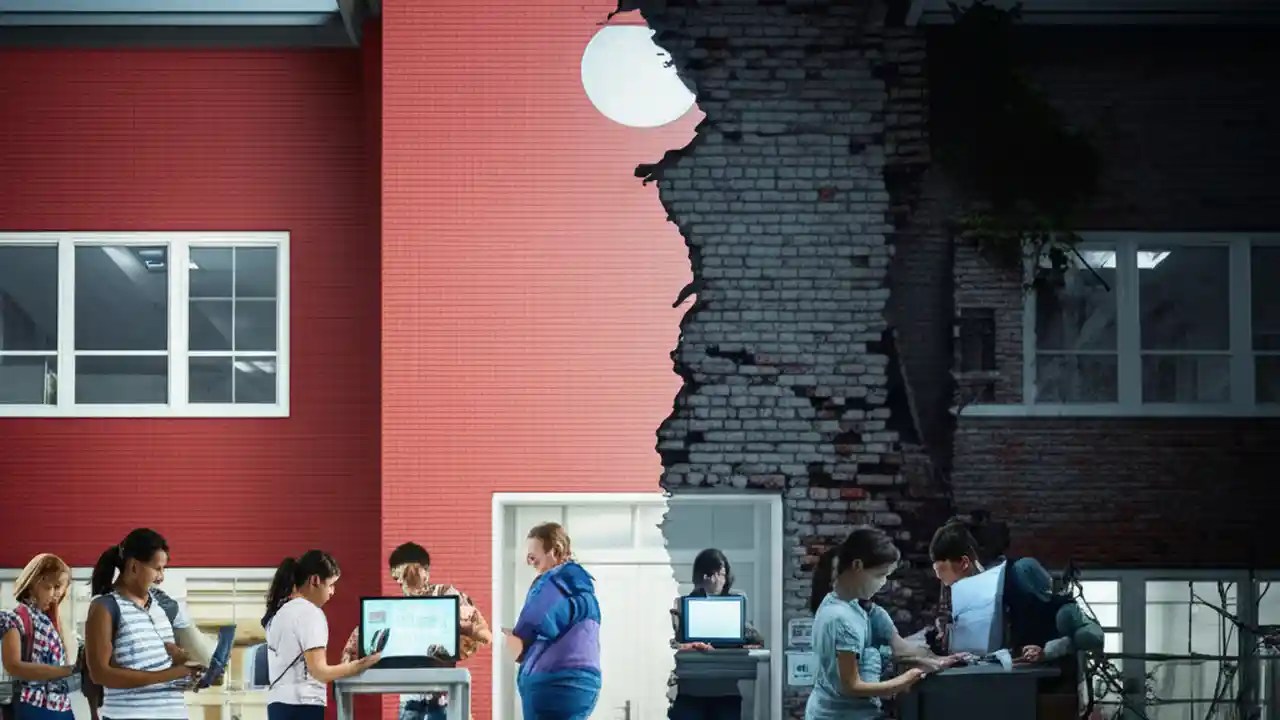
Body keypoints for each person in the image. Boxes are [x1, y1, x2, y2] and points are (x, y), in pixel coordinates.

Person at [928, 516, 1103, 719]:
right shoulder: (962, 596)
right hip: (997, 692)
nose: (945, 585)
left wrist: (1050, 650)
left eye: (943, 574)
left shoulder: (1021, 574)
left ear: (965, 563)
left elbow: (1086, 631)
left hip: (1044, 692)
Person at [340, 542, 492, 720]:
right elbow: (356, 643)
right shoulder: (397, 610)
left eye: (407, 575)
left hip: (445, 697)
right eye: (398, 579)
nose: (402, 583)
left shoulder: (445, 596)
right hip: (411, 700)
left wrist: (457, 627)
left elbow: (483, 634)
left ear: (424, 571)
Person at [804, 527, 927, 720]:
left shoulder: (851, 607)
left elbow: (900, 648)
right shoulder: (840, 619)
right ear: (857, 566)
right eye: (880, 575)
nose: (883, 583)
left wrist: (939, 661)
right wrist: (904, 680)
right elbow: (851, 686)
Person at [84, 529, 204, 720]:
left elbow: (162, 664)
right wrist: (171, 674)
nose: (161, 577)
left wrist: (184, 665)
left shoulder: (160, 606)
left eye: (164, 569)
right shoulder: (104, 607)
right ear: (134, 567)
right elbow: (100, 674)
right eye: (157, 569)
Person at [262, 551, 379, 720]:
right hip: (304, 704)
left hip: (277, 705)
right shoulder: (310, 612)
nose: (333, 591)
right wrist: (360, 665)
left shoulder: (278, 614)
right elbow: (319, 672)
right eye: (331, 585)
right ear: (315, 580)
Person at [503, 523, 600, 720]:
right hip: (587, 686)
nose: (530, 563)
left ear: (554, 551)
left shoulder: (551, 582)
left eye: (533, 557)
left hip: (551, 682)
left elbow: (522, 638)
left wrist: (495, 639)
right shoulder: (587, 595)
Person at [668, 548, 763, 720]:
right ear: (703, 576)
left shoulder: (733, 604)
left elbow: (756, 639)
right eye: (715, 574)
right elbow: (671, 645)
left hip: (725, 694)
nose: (719, 580)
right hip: (691, 693)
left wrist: (740, 636)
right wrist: (690, 646)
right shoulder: (684, 606)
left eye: (722, 574)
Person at [0, 554, 76, 720]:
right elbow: (13, 665)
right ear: (34, 582)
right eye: (52, 587)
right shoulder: (16, 618)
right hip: (32, 704)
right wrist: (65, 671)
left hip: (61, 706)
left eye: (60, 590)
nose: (56, 595)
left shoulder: (51, 622)